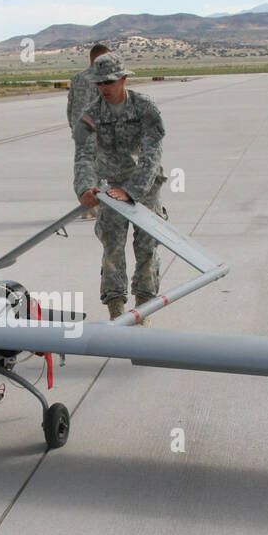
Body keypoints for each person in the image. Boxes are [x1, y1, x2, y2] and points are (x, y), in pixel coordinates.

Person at [72, 51, 167, 325]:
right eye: (99, 83)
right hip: (109, 188)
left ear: (124, 79)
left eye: (110, 82)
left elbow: (152, 156)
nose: (104, 88)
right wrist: (86, 187)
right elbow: (84, 156)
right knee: (112, 249)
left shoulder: (145, 108)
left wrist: (132, 191)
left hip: (144, 187)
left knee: (147, 248)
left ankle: (143, 311)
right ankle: (116, 313)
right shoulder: (90, 115)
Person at [67, 44, 109, 220]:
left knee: (83, 169)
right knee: (102, 169)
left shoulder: (77, 78)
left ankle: (87, 208)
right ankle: (99, 207)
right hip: (99, 132)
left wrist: (75, 128)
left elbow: (70, 108)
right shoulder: (104, 78)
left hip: (81, 132)